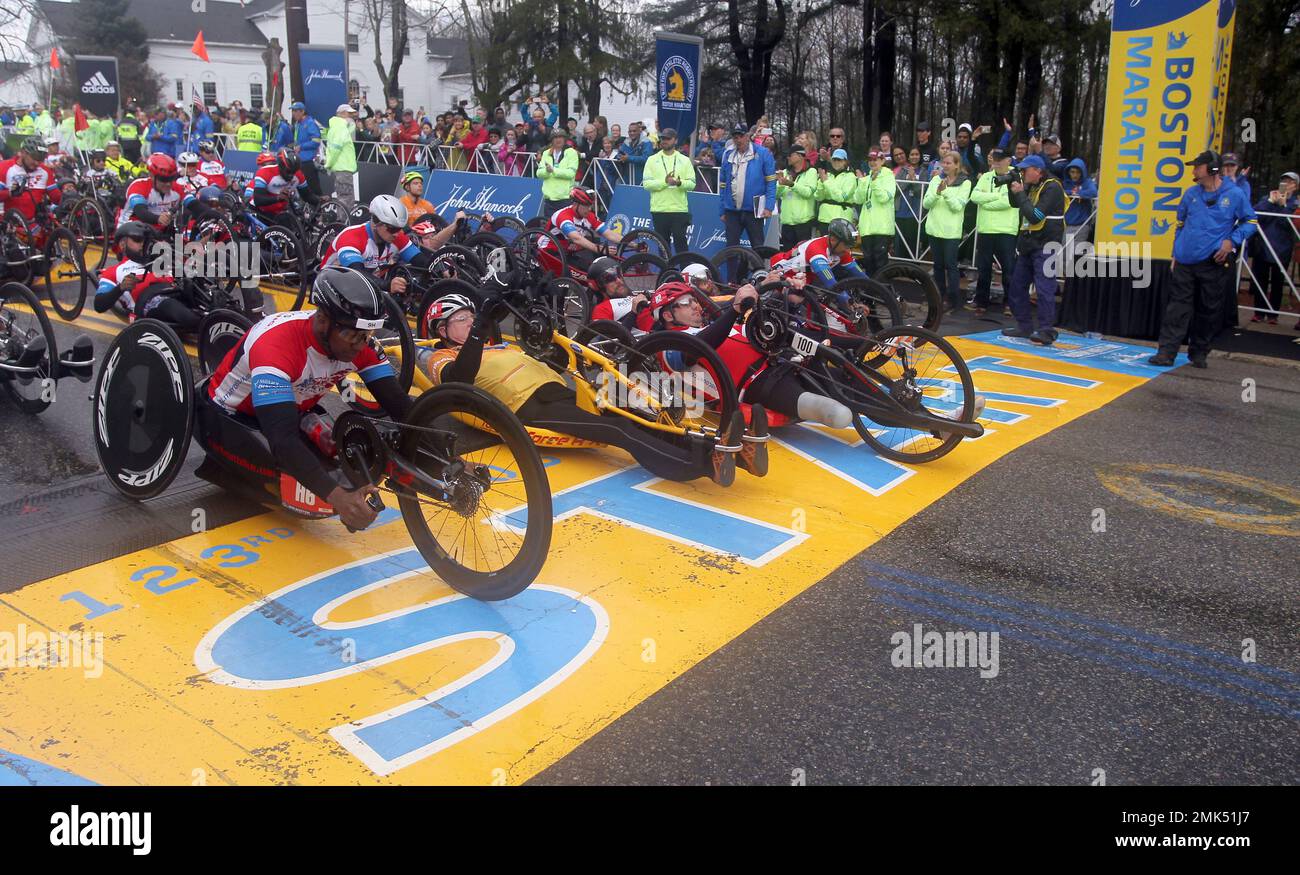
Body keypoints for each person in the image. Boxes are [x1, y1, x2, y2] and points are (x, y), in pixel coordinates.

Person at [417, 289, 749, 486]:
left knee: (639, 408)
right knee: (618, 429)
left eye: (471, 316)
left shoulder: (502, 345)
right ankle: (706, 465)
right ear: (442, 329)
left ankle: (727, 450)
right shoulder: (440, 356)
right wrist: (478, 333)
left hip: (561, 389)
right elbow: (456, 381)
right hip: (529, 406)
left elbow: (555, 357)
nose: (470, 322)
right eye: (461, 319)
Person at [205, 267, 412, 528]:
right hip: (234, 414)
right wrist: (340, 500)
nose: (360, 346)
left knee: (342, 459)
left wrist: (452, 464)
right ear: (323, 320)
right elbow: (282, 440)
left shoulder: (357, 341)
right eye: (352, 335)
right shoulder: (276, 346)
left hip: (293, 407)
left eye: (366, 335)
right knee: (314, 485)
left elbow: (400, 407)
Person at [651, 277, 854, 435]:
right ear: (668, 315)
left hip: (786, 362)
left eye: (695, 300)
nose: (696, 305)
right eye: (687, 302)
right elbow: (696, 348)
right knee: (838, 414)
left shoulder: (713, 324)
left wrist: (788, 299)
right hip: (761, 384)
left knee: (852, 382)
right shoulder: (668, 343)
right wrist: (732, 312)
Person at [1149, 151, 1259, 367]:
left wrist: (1232, 241)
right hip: (1185, 261)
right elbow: (1180, 224)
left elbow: (1251, 222)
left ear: (1211, 169)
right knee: (1177, 308)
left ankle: (1199, 352)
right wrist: (1175, 253)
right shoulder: (1190, 194)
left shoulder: (1234, 195)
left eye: (1197, 167)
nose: (1193, 171)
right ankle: (1166, 352)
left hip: (1213, 262)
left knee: (1208, 309)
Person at [1001, 154, 1066, 344]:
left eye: (1025, 170)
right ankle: (1024, 326)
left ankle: (1046, 330)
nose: (1022, 173)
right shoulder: (1032, 185)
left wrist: (1021, 193)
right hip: (1029, 244)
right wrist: (1010, 184)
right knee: (1017, 286)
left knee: (1044, 288)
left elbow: (1036, 215)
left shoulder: (1052, 187)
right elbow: (1015, 204)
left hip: (1046, 245)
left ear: (1037, 171)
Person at [93, 222, 201, 332]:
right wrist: (120, 288)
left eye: (145, 240)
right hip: (152, 301)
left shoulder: (159, 259)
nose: (142, 244)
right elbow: (99, 305)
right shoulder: (114, 271)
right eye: (137, 240)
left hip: (179, 292)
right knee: (186, 315)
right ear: (122, 244)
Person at [318, 195, 426, 300]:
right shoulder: (352, 237)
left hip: (363, 285)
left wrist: (441, 271)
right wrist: (388, 285)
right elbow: (357, 274)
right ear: (375, 222)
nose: (397, 234)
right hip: (330, 285)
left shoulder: (395, 236)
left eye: (400, 229)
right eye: (392, 229)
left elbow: (421, 261)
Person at [968, 148, 1019, 317]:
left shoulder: (1016, 176)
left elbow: (1008, 202)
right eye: (994, 159)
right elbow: (974, 196)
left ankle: (1010, 304)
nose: (996, 162)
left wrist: (987, 200)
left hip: (1006, 230)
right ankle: (981, 302)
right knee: (984, 269)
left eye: (1000, 159)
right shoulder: (986, 176)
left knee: (1008, 270)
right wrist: (994, 198)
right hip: (986, 228)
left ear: (1009, 161)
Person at [922, 152, 972, 311]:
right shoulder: (936, 179)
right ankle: (939, 296)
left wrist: (944, 192)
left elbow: (957, 206)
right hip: (934, 229)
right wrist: (937, 192)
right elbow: (926, 204)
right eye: (944, 162)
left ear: (957, 165)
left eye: (949, 163)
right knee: (937, 265)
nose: (945, 165)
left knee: (951, 265)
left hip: (951, 231)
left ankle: (953, 299)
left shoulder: (965, 183)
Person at [1248, 171, 1298, 325]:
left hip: (1282, 249)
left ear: (1295, 186)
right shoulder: (1267, 198)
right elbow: (1255, 214)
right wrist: (1271, 201)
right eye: (1284, 181)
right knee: (1260, 281)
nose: (1286, 185)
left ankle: (1273, 314)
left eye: (1290, 182)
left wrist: (1283, 207)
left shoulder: (1296, 204)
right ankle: (1259, 312)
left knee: (1277, 282)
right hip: (1263, 248)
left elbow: (1289, 226)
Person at [539, 186, 624, 273]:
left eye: (590, 205)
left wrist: (632, 244)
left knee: (596, 273)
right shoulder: (563, 216)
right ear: (576, 204)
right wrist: (598, 248)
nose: (589, 209)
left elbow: (609, 234)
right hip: (549, 251)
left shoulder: (589, 216)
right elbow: (576, 238)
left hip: (568, 252)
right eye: (586, 206)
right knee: (576, 277)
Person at [718, 123, 776, 248]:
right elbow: (722, 185)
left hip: (754, 210)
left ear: (748, 136)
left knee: (757, 247)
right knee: (731, 248)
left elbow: (771, 182)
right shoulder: (728, 155)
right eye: (735, 137)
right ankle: (733, 269)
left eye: (741, 136)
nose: (738, 140)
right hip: (732, 211)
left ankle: (758, 268)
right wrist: (722, 209)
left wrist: (769, 206)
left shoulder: (763, 153)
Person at [768, 218, 867, 288]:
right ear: (833, 239)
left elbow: (862, 276)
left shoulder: (840, 248)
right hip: (784, 273)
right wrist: (850, 304)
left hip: (805, 276)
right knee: (798, 301)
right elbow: (832, 284)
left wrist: (876, 290)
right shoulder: (817, 250)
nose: (847, 250)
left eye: (849, 247)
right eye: (846, 246)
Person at [642, 127, 696, 254]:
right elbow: (646, 184)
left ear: (675, 141)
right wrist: (665, 182)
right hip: (659, 209)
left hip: (679, 209)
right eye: (662, 138)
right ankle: (666, 272)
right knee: (663, 246)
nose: (664, 141)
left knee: (680, 242)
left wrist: (679, 183)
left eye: (668, 138)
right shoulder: (652, 159)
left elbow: (692, 184)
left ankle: (685, 271)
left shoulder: (684, 160)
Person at [245, 147, 319, 229]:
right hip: (259, 211)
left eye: (293, 172)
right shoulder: (264, 172)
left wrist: (320, 200)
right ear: (280, 165)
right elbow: (258, 200)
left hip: (279, 212)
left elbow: (307, 196)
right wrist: (277, 198)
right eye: (288, 171)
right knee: (259, 241)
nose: (291, 175)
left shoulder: (298, 174)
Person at [116, 152, 191, 232]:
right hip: (132, 228)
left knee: (179, 239)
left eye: (171, 179)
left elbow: (195, 204)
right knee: (138, 234)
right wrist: (158, 218)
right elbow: (140, 211)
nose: (168, 184)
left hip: (161, 230)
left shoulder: (177, 187)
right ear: (151, 176)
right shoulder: (139, 185)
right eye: (163, 180)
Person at [0, 137, 61, 226]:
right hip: (9, 225)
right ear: (23, 153)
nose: (37, 163)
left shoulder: (45, 171)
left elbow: (56, 197)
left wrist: (68, 197)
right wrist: (9, 193)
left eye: (40, 160)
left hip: (35, 224)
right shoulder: (5, 167)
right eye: (34, 158)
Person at [855, 149, 897, 275]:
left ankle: (882, 291)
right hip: (867, 228)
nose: (872, 163)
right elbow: (858, 199)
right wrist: (862, 182)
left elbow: (884, 198)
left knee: (880, 262)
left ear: (882, 160)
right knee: (868, 261)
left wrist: (874, 182)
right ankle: (870, 291)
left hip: (882, 228)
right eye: (870, 160)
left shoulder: (889, 176)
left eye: (875, 160)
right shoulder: (866, 178)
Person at [586, 256, 649, 328]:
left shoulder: (638, 295)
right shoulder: (601, 309)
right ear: (599, 285)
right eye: (609, 278)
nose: (619, 281)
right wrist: (633, 313)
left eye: (619, 274)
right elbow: (607, 338)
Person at [777, 146, 818, 247]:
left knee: (802, 257)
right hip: (787, 222)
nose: (788, 158)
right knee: (787, 257)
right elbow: (776, 195)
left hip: (803, 223)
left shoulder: (811, 172)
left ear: (799, 156)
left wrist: (792, 184)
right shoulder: (785, 172)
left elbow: (808, 192)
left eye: (790, 155)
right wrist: (781, 184)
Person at [537, 130, 580, 216]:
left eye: (560, 137)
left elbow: (570, 174)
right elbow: (539, 173)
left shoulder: (572, 153)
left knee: (564, 226)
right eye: (555, 137)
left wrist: (553, 170)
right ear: (552, 140)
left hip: (565, 198)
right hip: (549, 199)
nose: (558, 140)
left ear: (565, 139)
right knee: (550, 228)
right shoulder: (546, 153)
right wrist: (547, 171)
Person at [324, 103, 358, 211]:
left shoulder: (338, 127)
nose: (352, 116)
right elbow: (335, 149)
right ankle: (343, 223)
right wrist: (328, 164)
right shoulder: (340, 128)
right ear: (342, 114)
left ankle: (342, 221)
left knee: (345, 198)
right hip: (343, 168)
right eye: (349, 113)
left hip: (342, 168)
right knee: (346, 199)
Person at [814, 148, 858, 231]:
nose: (836, 162)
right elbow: (818, 197)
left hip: (842, 218)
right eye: (834, 159)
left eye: (839, 160)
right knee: (824, 244)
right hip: (824, 218)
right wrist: (821, 183)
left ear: (845, 161)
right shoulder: (827, 175)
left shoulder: (851, 177)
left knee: (840, 244)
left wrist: (826, 183)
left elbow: (842, 197)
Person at [289, 101, 323, 195]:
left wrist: (301, 147)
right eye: (293, 111)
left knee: (313, 188)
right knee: (303, 189)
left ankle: (320, 207)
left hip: (308, 162)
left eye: (296, 111)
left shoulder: (310, 123)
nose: (293, 113)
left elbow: (316, 141)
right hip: (300, 161)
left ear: (302, 111)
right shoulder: (298, 124)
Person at [616, 120, 653, 185]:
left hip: (642, 180)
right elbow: (619, 154)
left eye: (634, 131)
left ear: (639, 131)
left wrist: (629, 158)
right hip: (627, 179)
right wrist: (620, 157)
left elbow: (646, 159)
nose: (632, 133)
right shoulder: (626, 141)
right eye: (630, 131)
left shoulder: (647, 142)